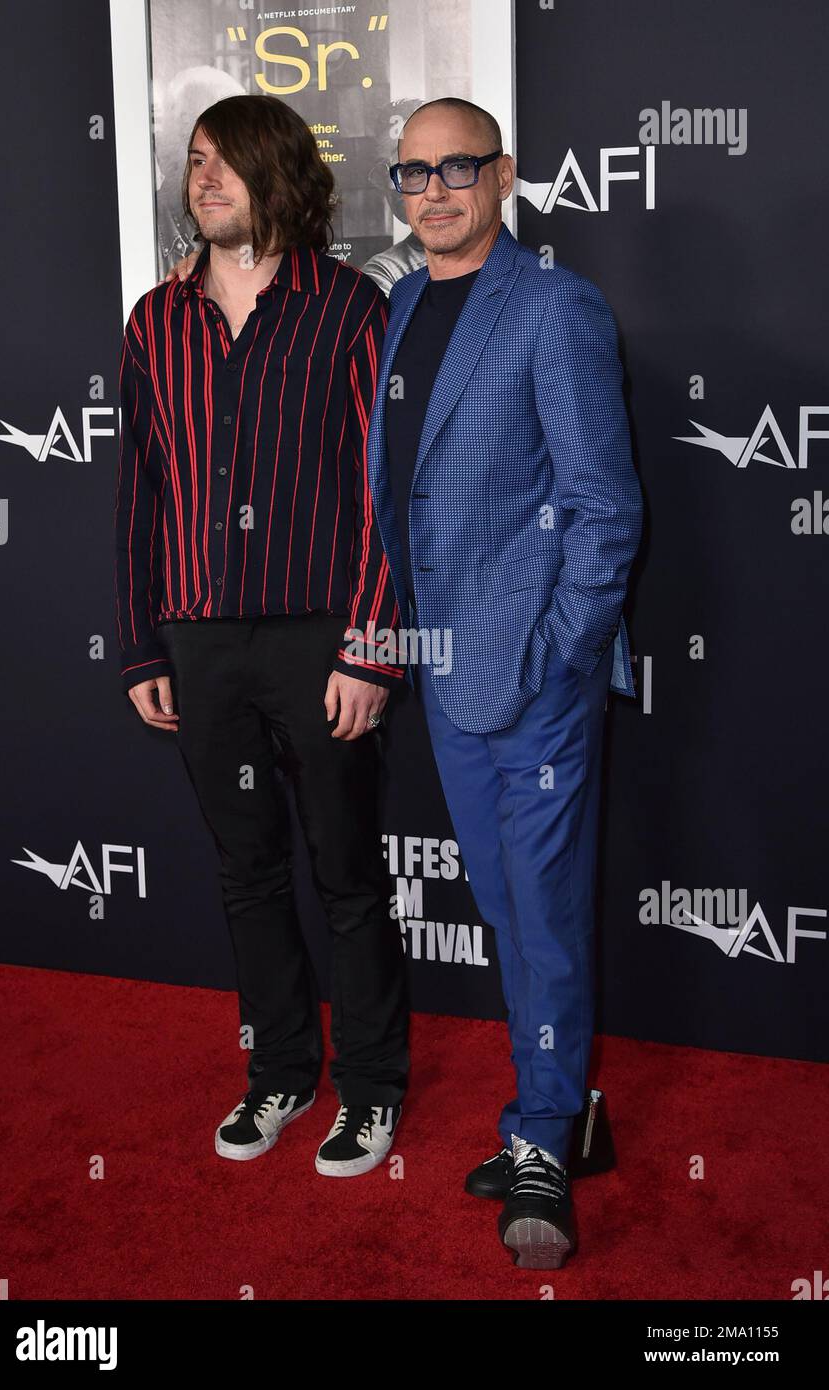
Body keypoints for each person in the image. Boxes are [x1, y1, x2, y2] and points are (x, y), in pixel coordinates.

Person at [364, 97, 643, 1267]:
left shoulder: (556, 308)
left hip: (527, 679)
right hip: (445, 669)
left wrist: (553, 661)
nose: (433, 191)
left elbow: (601, 510)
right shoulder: (405, 304)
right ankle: (565, 1108)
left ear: (505, 175)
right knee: (504, 903)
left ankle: (539, 1134)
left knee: (540, 909)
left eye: (457, 168)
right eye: (413, 173)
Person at [114, 93, 408, 1178]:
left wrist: (370, 644)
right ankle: (282, 1070)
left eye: (226, 162)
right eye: (194, 161)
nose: (205, 179)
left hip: (319, 635)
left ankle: (371, 1089)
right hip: (199, 639)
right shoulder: (154, 321)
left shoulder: (345, 311)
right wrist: (143, 645)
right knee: (246, 872)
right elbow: (139, 495)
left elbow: (386, 494)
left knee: (344, 871)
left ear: (278, 175)